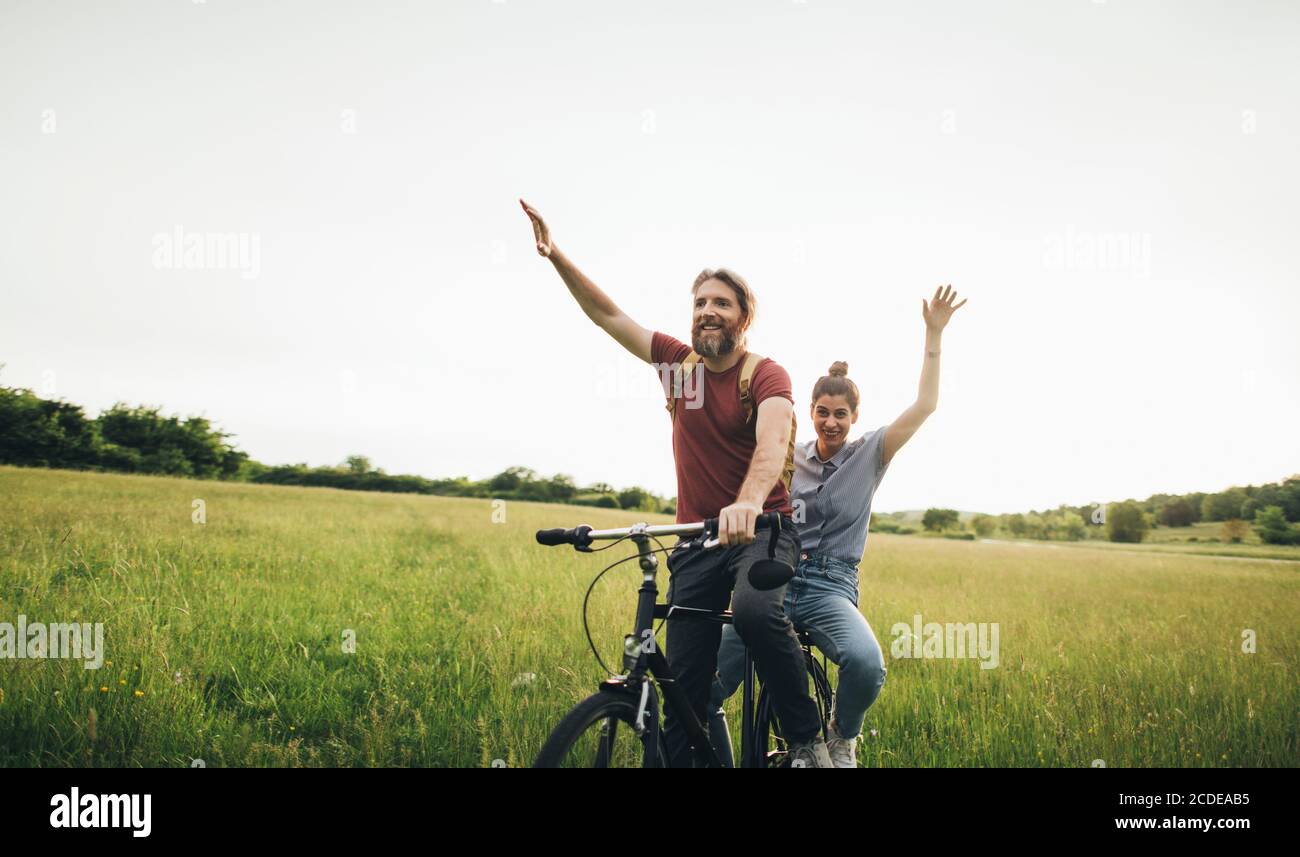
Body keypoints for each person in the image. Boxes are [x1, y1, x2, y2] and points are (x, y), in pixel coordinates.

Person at [521, 199, 832, 767]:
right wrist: (556, 256)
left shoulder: (765, 374)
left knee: (758, 614)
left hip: (762, 529)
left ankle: (809, 740)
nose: (707, 311)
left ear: (744, 316)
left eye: (721, 302)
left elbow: (771, 443)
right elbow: (609, 316)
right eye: (700, 302)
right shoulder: (678, 364)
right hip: (695, 541)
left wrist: (746, 502)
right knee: (683, 682)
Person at [710, 284, 967, 768]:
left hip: (831, 586)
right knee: (706, 686)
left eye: (841, 415)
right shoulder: (788, 455)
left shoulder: (871, 454)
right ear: (809, 413)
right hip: (774, 579)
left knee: (868, 664)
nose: (831, 423)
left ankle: (841, 736)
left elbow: (925, 405)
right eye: (822, 413)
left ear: (855, 417)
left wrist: (933, 336)